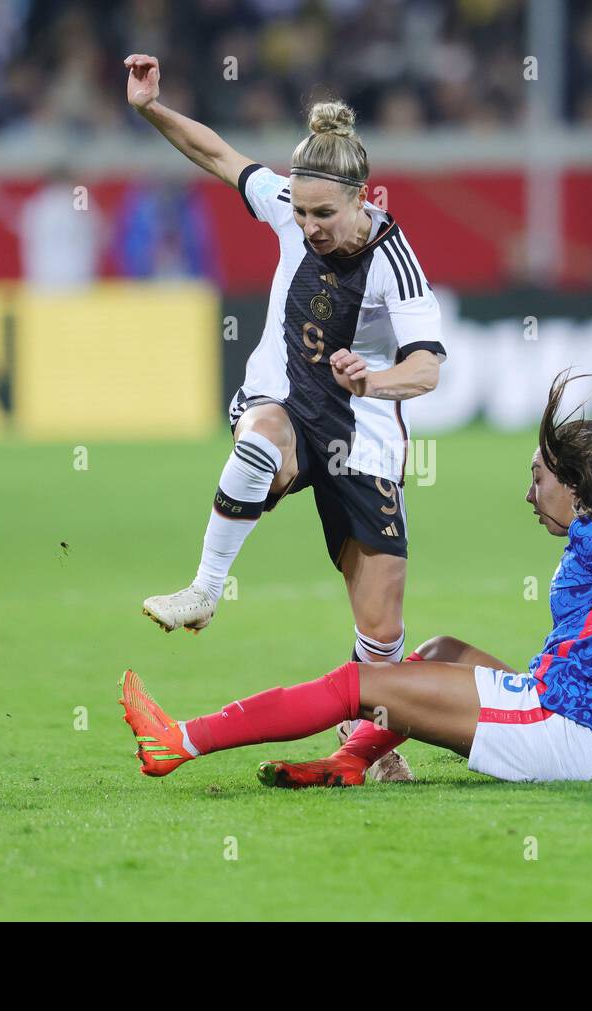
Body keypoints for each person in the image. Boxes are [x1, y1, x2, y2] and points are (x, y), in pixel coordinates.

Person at [118, 372, 592, 786]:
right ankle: (349, 762)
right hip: (588, 736)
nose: (529, 494)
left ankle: (180, 741)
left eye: (539, 477)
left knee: (359, 683)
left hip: (562, 731)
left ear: (577, 486)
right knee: (439, 651)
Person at [123, 55, 444, 782]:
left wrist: (375, 377)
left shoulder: (398, 260)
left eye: (323, 214)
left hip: (361, 434)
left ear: (361, 200)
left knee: (383, 625)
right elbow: (217, 154)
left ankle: (372, 742)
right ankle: (205, 588)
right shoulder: (285, 207)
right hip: (289, 403)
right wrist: (150, 108)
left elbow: (427, 367)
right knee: (261, 435)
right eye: (299, 211)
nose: (308, 225)